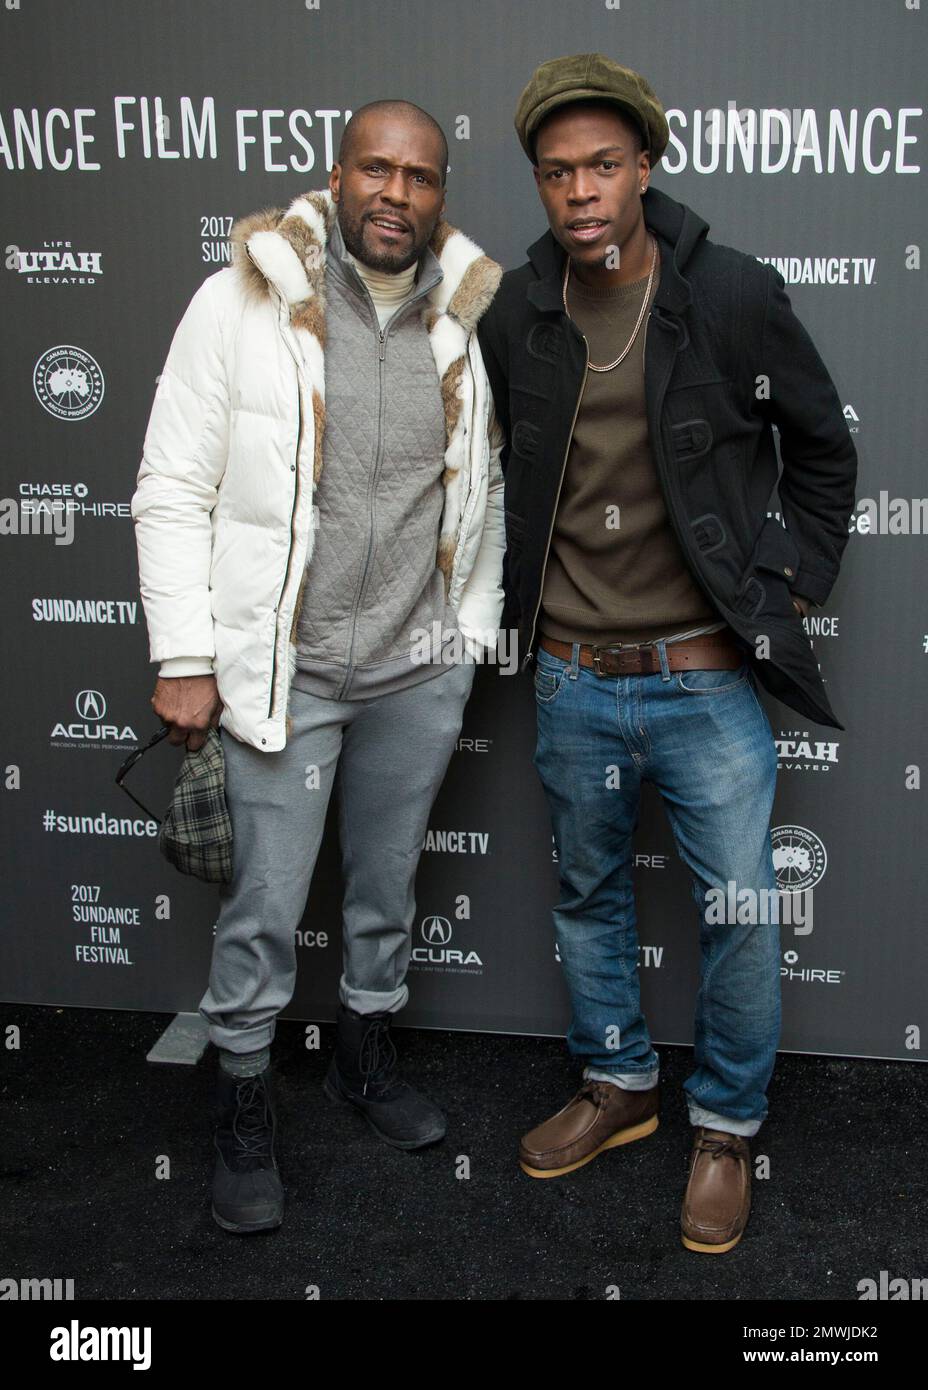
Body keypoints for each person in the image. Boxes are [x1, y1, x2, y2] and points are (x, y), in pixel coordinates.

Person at [476, 54, 857, 1253]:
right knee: (586, 897)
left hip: (704, 680)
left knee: (740, 911)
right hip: (574, 679)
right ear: (537, 186)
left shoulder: (731, 296)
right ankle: (618, 1082)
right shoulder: (516, 315)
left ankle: (727, 1125)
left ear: (645, 166)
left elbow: (823, 453)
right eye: (556, 172)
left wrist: (786, 578)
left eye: (602, 164)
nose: (580, 190)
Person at [132, 100, 506, 1233]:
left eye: (421, 177)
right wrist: (188, 655)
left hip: (415, 670)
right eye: (375, 169)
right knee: (264, 904)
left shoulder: (458, 319)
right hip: (283, 677)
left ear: (442, 194)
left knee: (387, 887)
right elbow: (171, 488)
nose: (396, 194)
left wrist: (465, 632)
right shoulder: (240, 304)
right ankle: (242, 1094)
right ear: (337, 175)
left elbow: (473, 488)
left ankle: (361, 1053)